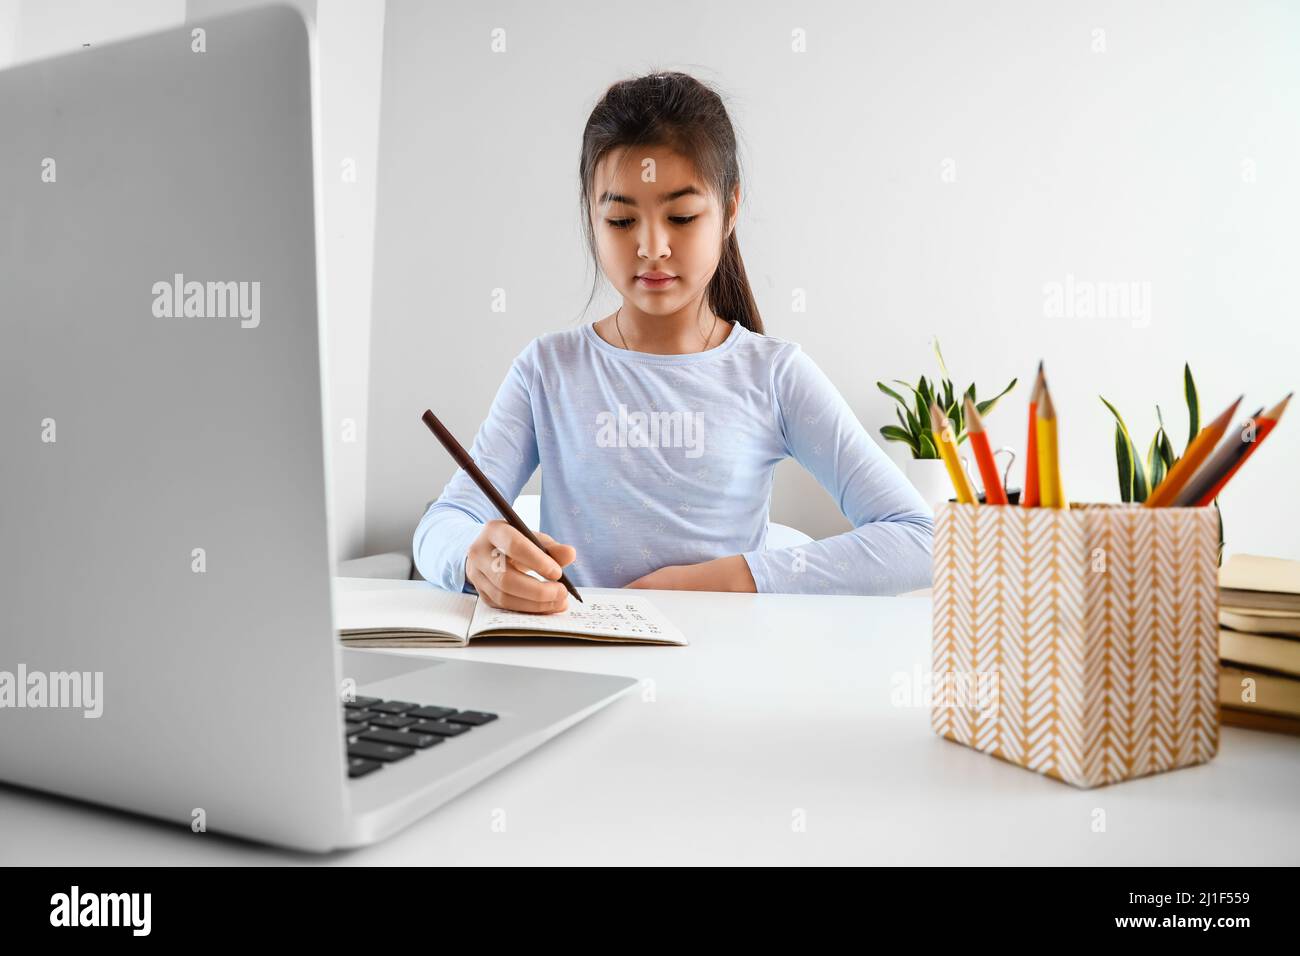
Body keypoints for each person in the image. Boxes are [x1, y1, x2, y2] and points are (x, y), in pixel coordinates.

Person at [413, 71, 932, 612]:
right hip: (575, 664)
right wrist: (477, 560)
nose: (652, 247)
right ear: (592, 218)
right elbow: (441, 526)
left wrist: (735, 578)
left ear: (730, 210)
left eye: (681, 216)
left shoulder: (773, 374)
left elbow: (920, 538)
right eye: (620, 220)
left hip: (721, 673)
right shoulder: (548, 368)